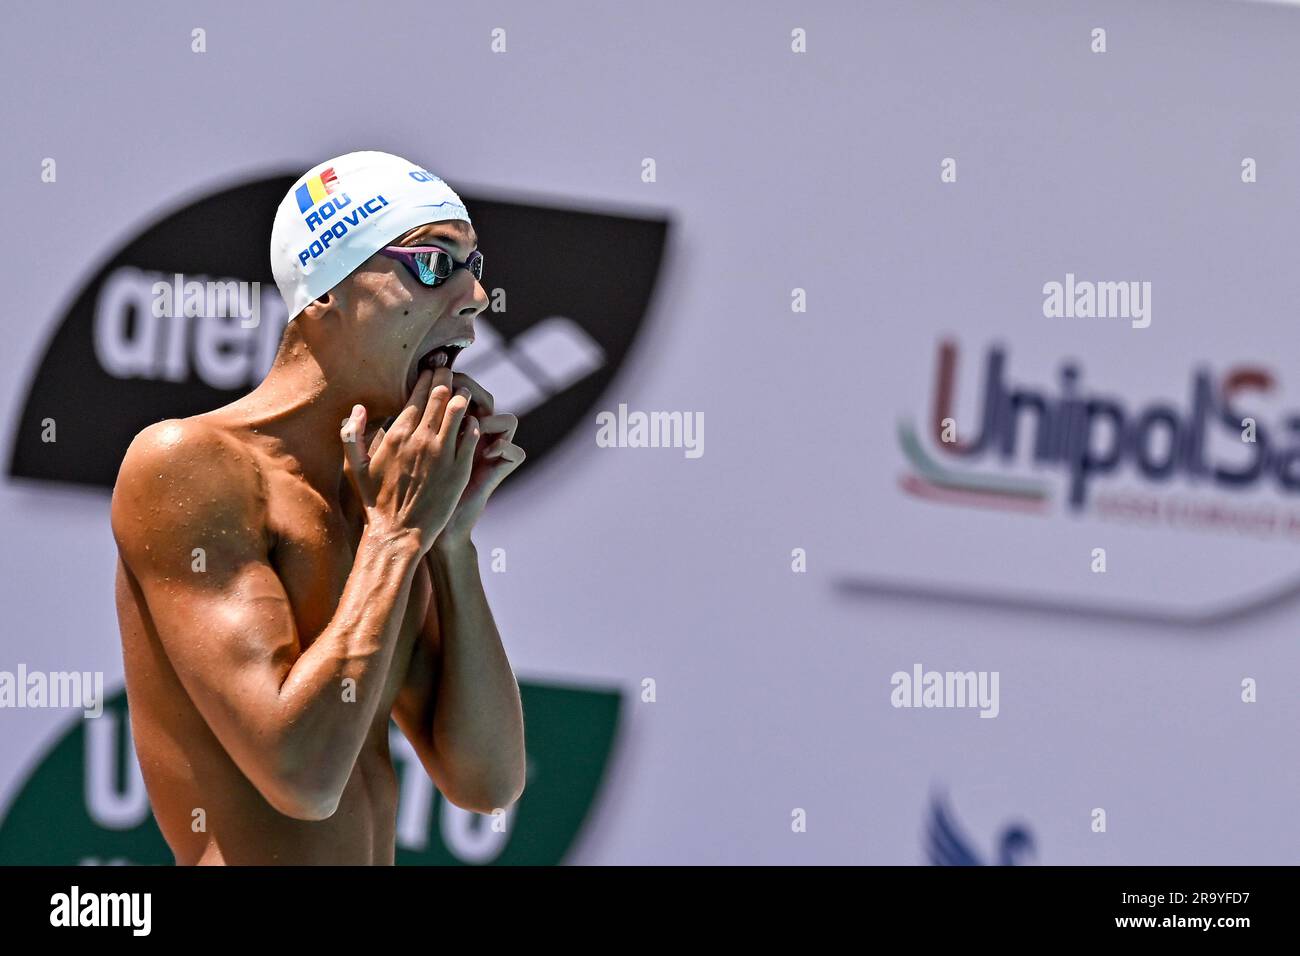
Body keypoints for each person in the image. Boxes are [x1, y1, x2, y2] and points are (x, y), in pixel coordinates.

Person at [110, 151, 527, 864]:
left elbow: (485, 782)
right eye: (432, 263)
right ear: (326, 291)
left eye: (474, 266)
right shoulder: (190, 464)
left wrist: (450, 543)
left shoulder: (382, 495)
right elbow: (299, 777)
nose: (475, 297)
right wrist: (397, 539)